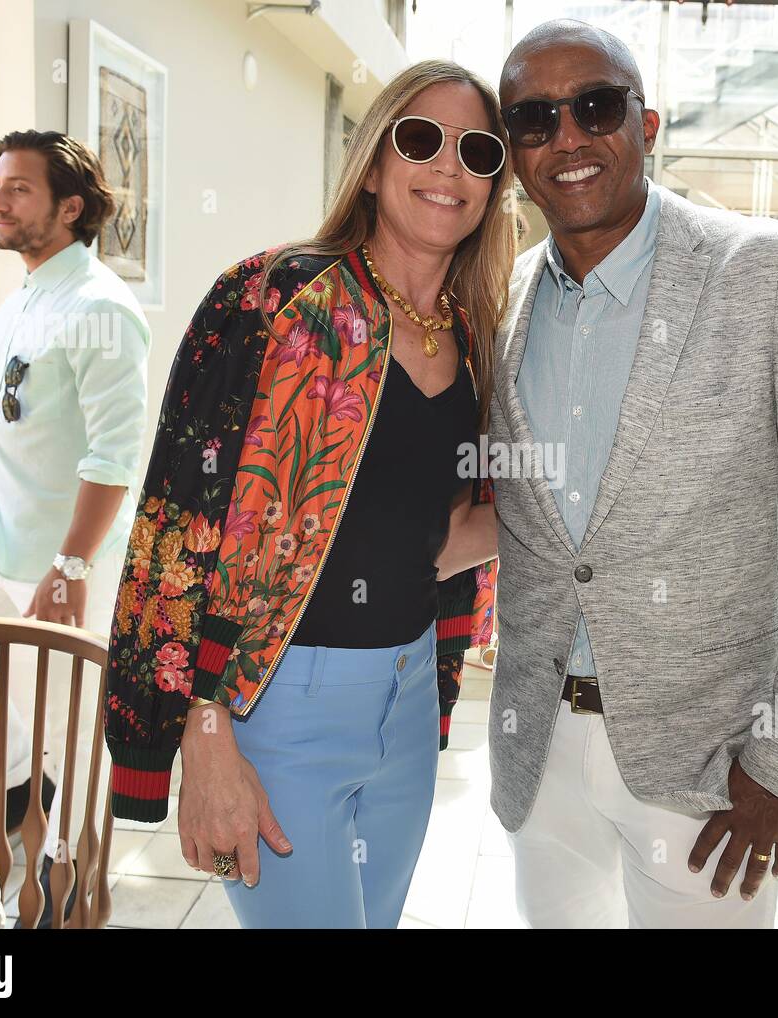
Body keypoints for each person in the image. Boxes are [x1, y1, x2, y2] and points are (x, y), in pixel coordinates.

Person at [487, 20, 778, 929]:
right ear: (512, 149)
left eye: (596, 106)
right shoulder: (502, 296)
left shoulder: (768, 272)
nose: (568, 137)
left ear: (648, 123)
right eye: (534, 118)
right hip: (539, 755)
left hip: (713, 774)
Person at [102, 60, 510, 929]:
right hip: (274, 705)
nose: (448, 168)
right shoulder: (271, 298)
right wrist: (197, 732)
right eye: (420, 139)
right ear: (372, 160)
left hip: (407, 702)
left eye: (476, 151)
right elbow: (174, 527)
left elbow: (423, 540)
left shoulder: (474, 335)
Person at [0, 130, 151, 927]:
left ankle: (71, 886)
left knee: (72, 726)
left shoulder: (102, 308)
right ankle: (23, 795)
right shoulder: (17, 302)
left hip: (65, 559)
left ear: (70, 207)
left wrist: (72, 567)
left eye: (18, 187)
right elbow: (1, 427)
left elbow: (114, 454)